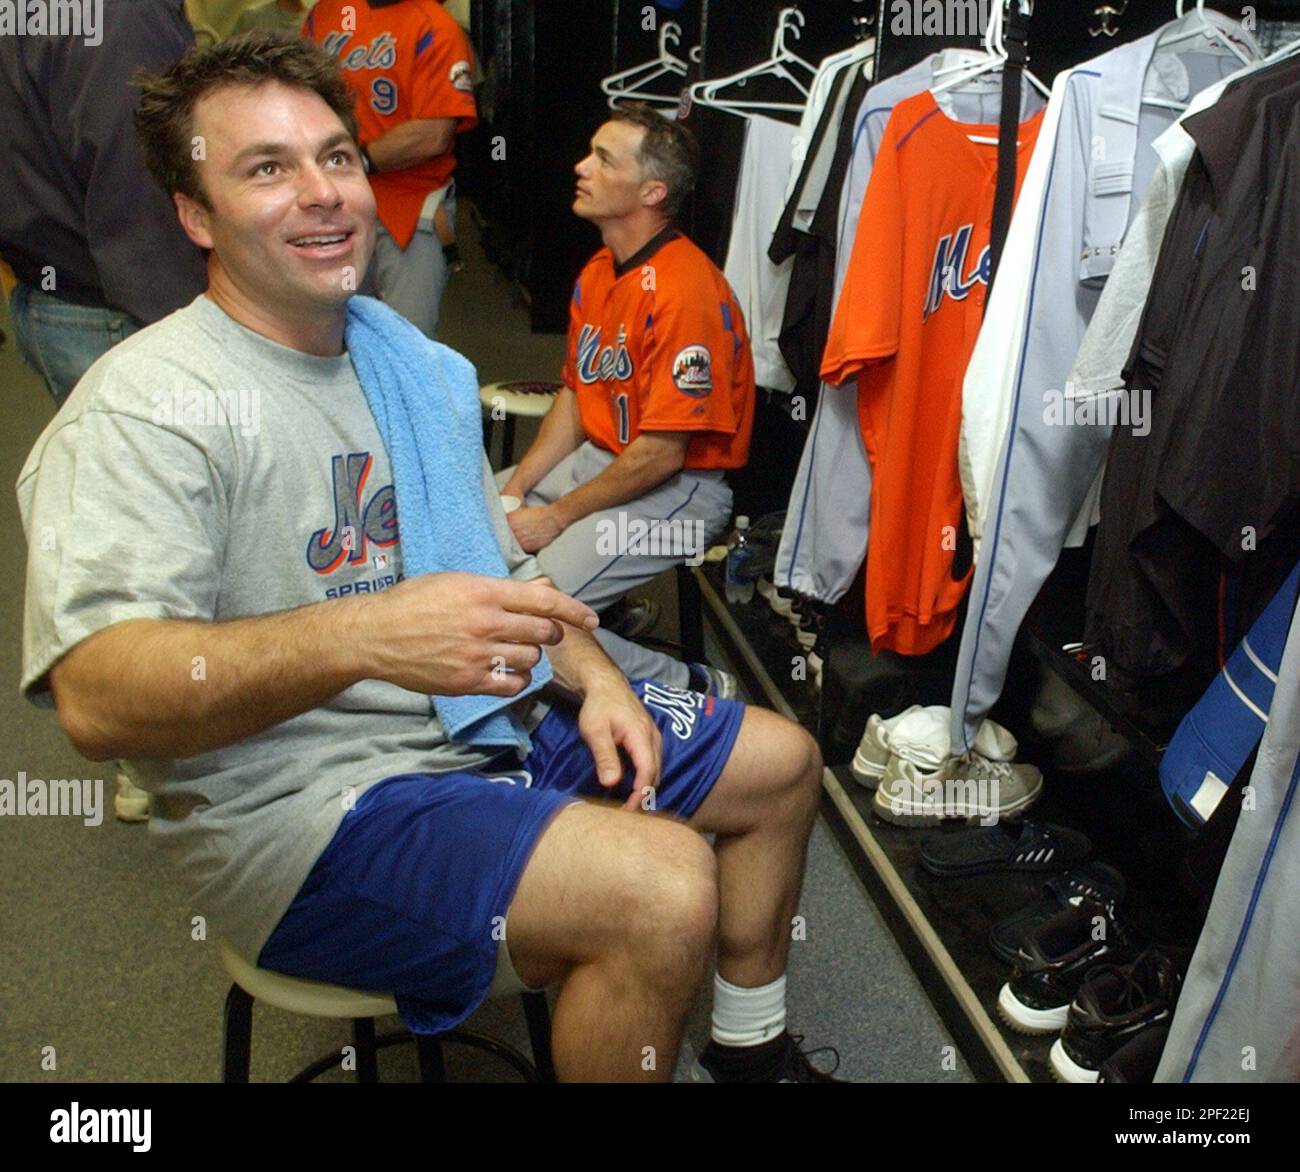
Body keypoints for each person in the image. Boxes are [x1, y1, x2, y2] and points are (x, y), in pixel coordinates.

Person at [17, 33, 837, 1083]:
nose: (322, 193)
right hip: (303, 808)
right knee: (660, 882)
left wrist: (591, 680)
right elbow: (95, 695)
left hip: (480, 725)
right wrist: (365, 633)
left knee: (779, 761)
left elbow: (503, 571)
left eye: (338, 156)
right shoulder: (147, 407)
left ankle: (752, 1047)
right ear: (194, 214)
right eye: (267, 168)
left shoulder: (414, 366)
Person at [499, 103, 756, 695]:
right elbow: (575, 397)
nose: (581, 166)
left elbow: (662, 455)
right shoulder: (598, 270)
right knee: (459, 540)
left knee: (527, 620)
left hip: (683, 493)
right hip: (602, 465)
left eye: (603, 159)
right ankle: (608, 621)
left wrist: (555, 518)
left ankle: (687, 682)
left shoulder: (685, 291)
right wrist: (518, 491)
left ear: (651, 191)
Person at [0, 0, 207, 406]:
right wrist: (204, 330)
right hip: (124, 309)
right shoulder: (122, 14)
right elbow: (142, 180)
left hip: (52, 290)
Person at [306, 0, 475, 338]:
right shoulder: (326, 13)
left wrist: (355, 161)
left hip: (408, 211)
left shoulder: (434, 26)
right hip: (332, 205)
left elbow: (433, 133)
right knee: (329, 339)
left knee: (405, 345)